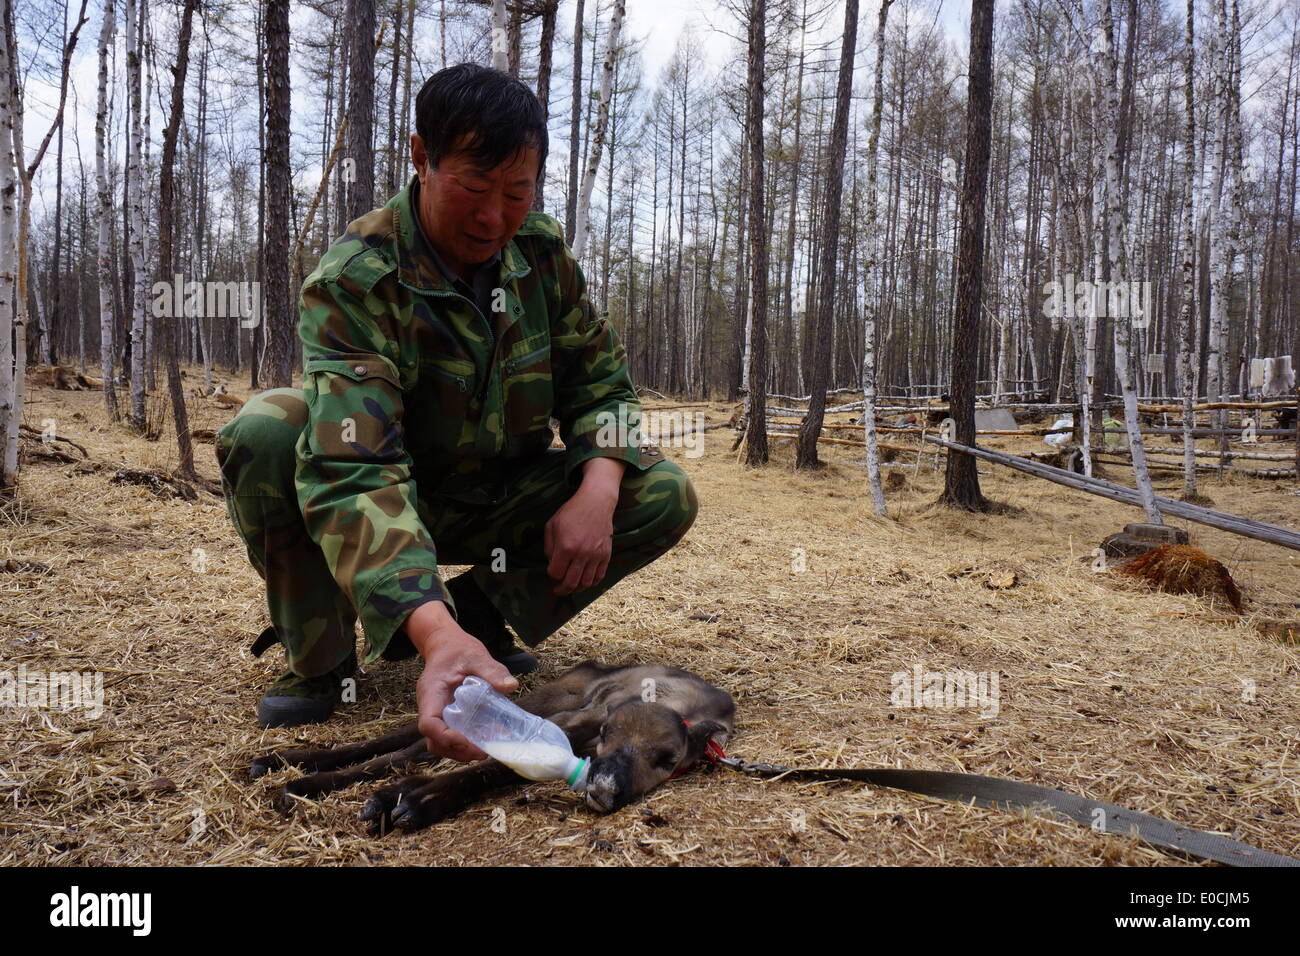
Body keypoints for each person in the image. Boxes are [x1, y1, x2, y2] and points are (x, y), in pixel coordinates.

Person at [216, 63, 698, 763]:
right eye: (473, 187)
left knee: (658, 490)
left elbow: (604, 386)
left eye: (516, 192)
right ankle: (322, 654)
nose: (493, 216)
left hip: (500, 497)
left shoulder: (541, 255)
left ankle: (481, 617)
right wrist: (430, 637)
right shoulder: (357, 278)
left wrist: (598, 489)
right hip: (394, 497)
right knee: (268, 428)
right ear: (421, 157)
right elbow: (355, 469)